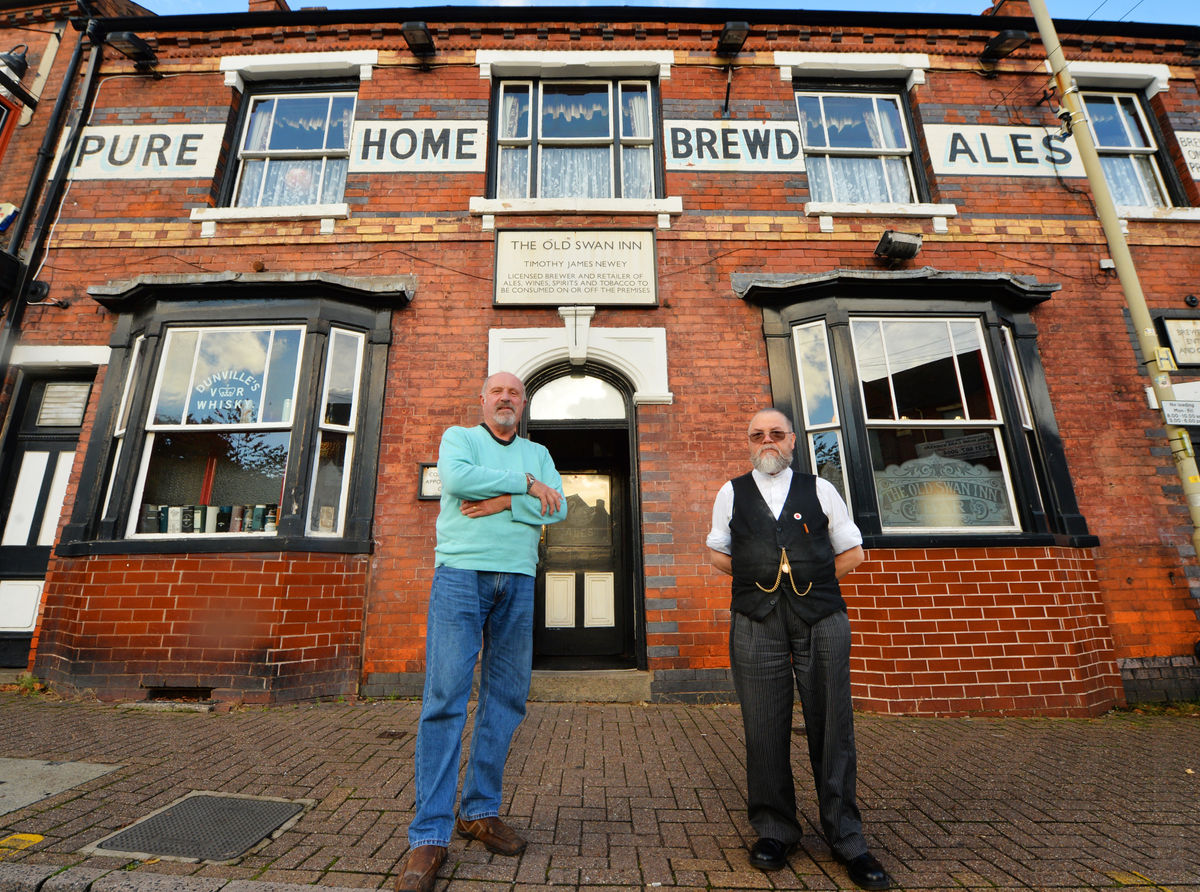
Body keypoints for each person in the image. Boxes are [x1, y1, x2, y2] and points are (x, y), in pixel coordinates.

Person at [706, 408, 892, 891]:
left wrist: (811, 583)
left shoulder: (821, 489)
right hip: (755, 619)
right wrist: (761, 581)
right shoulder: (730, 492)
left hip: (822, 618)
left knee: (833, 724)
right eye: (757, 435)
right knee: (763, 726)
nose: (767, 441)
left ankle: (846, 837)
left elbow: (852, 551)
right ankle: (775, 831)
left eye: (776, 433)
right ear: (748, 443)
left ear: (792, 441)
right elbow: (718, 552)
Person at [396, 371, 567, 892]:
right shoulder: (460, 439)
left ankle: (478, 811)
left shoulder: (538, 452)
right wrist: (525, 489)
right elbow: (457, 480)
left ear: (523, 404)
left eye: (514, 393)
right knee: (445, 698)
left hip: (518, 578)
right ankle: (429, 834)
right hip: (461, 575)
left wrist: (504, 503)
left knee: (506, 698)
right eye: (498, 391)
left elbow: (559, 508)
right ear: (483, 400)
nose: (506, 399)